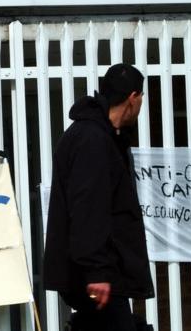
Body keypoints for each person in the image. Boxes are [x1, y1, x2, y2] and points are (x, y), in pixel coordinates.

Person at [43, 63, 154, 331]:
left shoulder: (103, 137)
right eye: (141, 99)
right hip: (95, 274)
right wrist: (97, 272)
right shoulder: (93, 140)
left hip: (99, 270)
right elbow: (88, 209)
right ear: (133, 98)